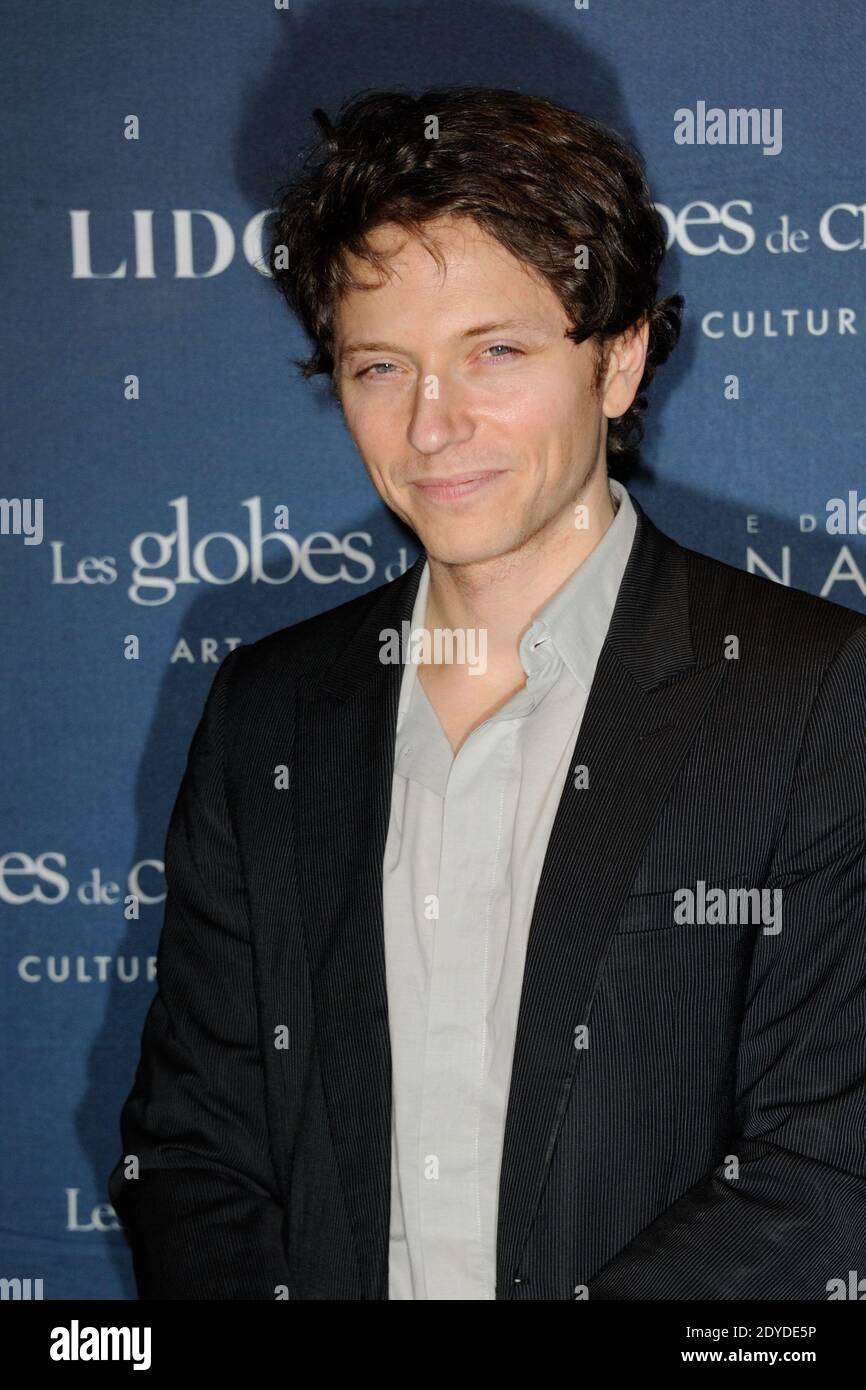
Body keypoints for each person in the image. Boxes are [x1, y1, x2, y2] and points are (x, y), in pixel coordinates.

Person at [109, 86, 866, 1300]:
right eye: (379, 367)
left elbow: (826, 1172)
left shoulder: (814, 692)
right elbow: (192, 1144)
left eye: (494, 353)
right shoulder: (269, 708)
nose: (431, 424)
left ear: (616, 360)